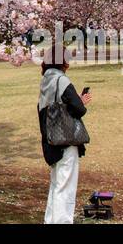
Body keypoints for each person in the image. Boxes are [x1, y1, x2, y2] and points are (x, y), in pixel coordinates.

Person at [38, 59, 90, 224]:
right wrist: (81, 101)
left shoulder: (46, 81)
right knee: (65, 188)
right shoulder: (62, 80)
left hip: (51, 141)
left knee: (56, 186)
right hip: (65, 141)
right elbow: (79, 109)